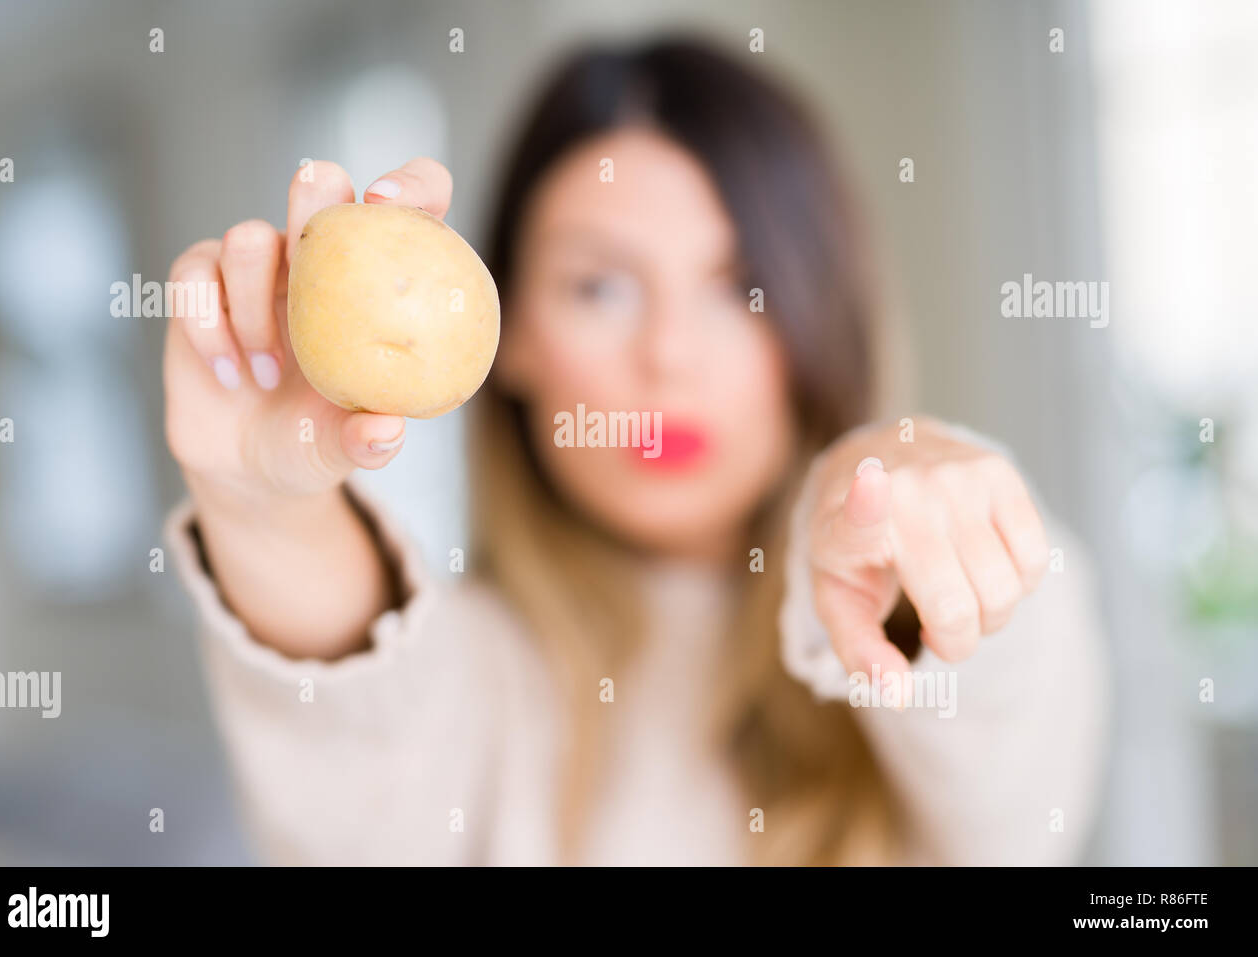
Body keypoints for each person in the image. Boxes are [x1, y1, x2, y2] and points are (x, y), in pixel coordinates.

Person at [163, 38, 1107, 865]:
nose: (668, 356)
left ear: (822, 325)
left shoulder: (920, 669)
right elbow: (356, 756)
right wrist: (259, 503)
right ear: (513, 331)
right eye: (599, 288)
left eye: (742, 289)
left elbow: (1016, 795)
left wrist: (920, 511)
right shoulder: (475, 686)